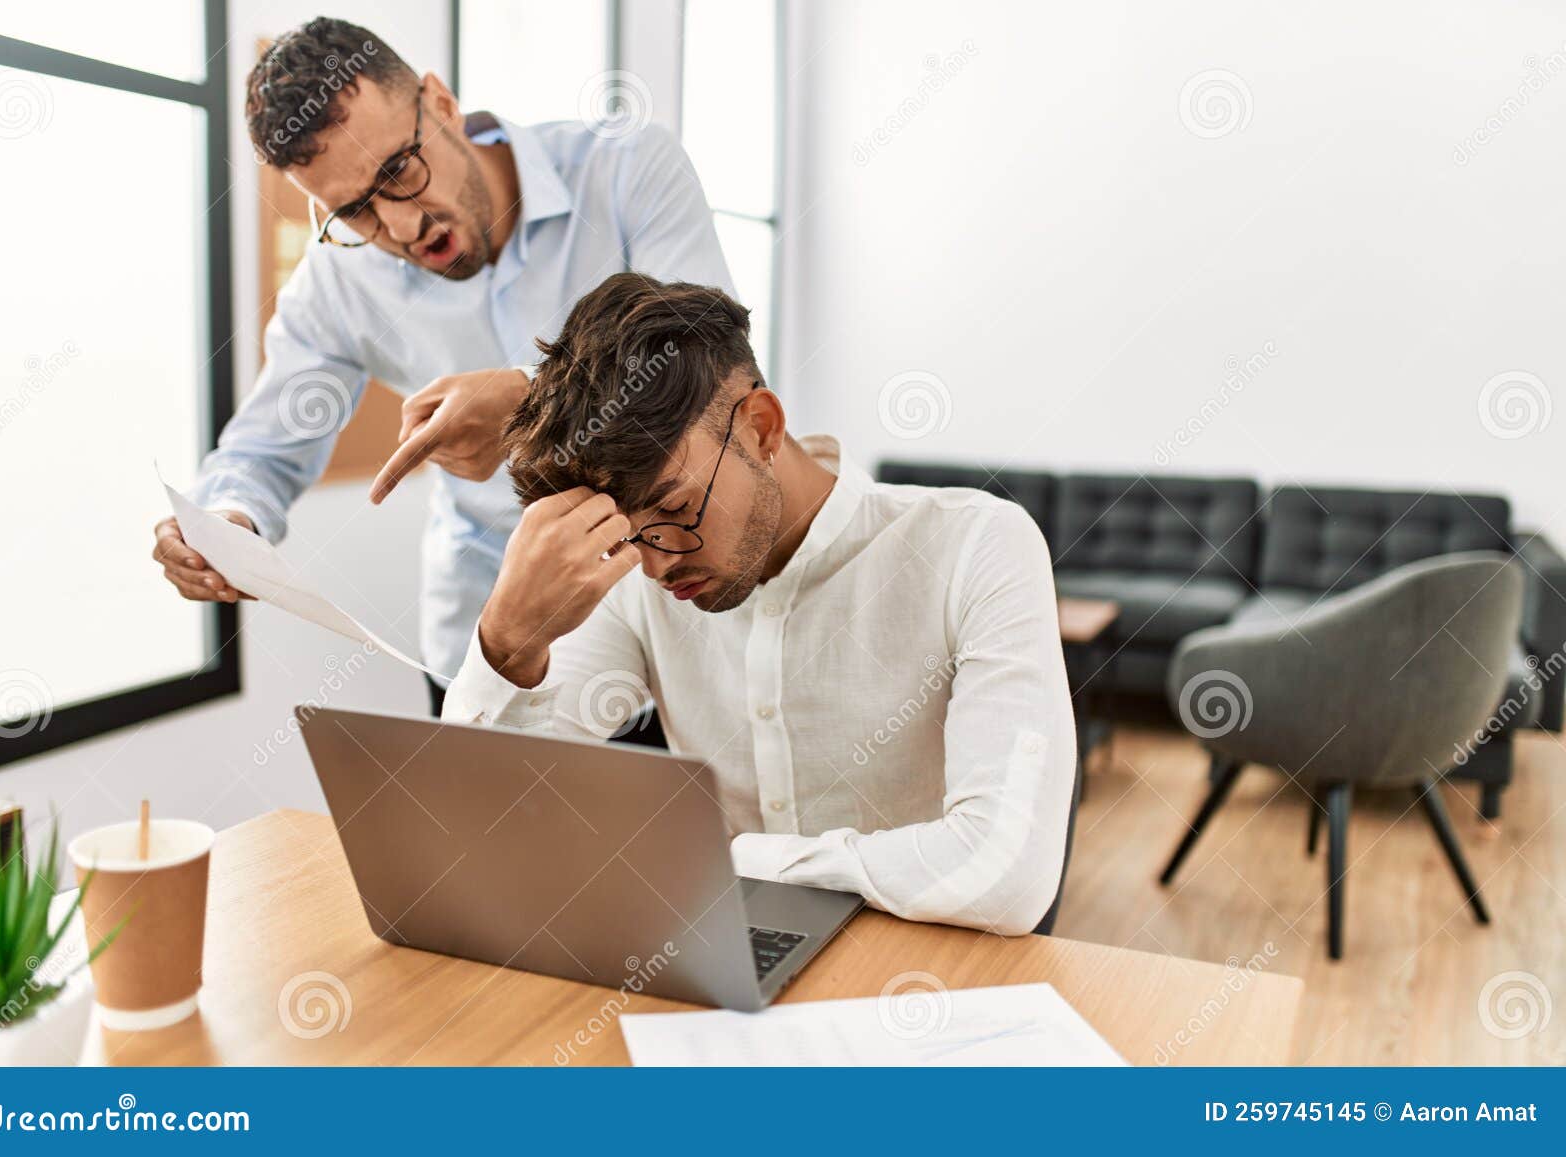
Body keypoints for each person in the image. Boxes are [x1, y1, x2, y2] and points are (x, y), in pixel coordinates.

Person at [442, 273, 1078, 935]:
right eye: (625, 530)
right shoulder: (639, 565)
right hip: (725, 968)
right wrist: (507, 637)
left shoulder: (976, 544)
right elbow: (495, 821)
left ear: (762, 428)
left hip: (930, 977)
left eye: (676, 507)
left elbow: (1005, 872)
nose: (656, 563)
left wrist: (718, 860)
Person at [149, 17, 732, 712]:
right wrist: (224, 525)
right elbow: (263, 448)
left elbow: (709, 362)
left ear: (442, 103)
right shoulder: (337, 283)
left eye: (398, 170)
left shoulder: (627, 167)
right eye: (354, 211)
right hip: (481, 647)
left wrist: (533, 401)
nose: (399, 227)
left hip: (664, 615)